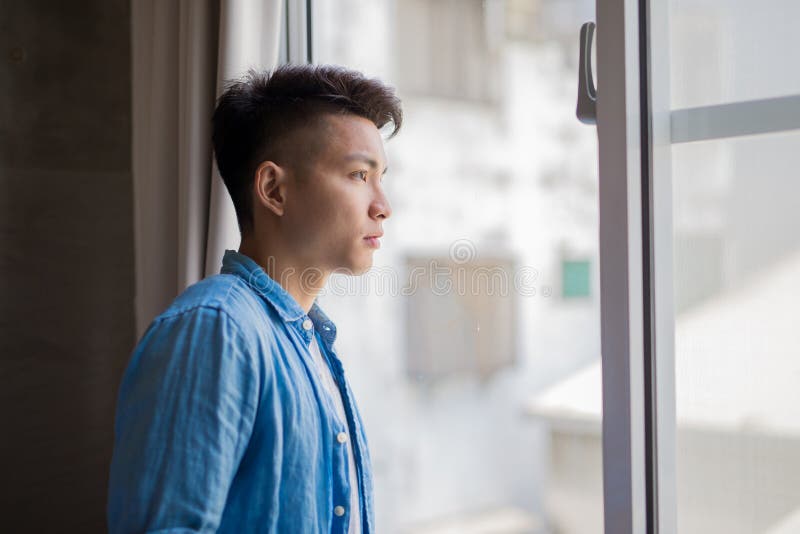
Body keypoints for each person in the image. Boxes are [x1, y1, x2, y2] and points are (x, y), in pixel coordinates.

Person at [107, 64, 402, 533]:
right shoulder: (215, 329)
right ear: (273, 189)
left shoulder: (311, 346)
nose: (383, 204)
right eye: (357, 175)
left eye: (380, 176)